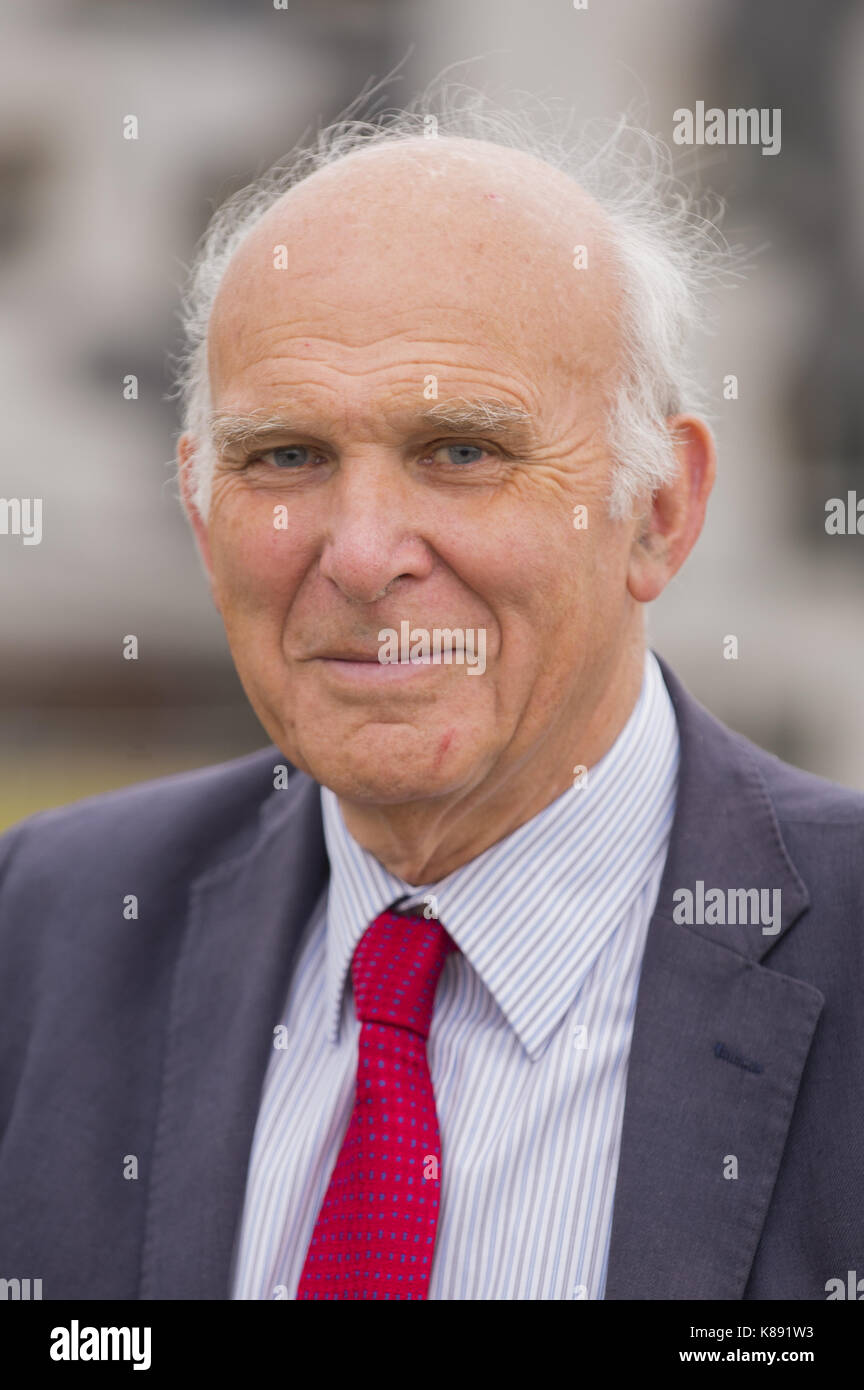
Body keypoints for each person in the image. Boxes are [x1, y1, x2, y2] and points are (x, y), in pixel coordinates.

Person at [1, 96, 861, 1302]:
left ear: (659, 510)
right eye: (286, 456)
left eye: (462, 452)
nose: (359, 553)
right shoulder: (44, 931)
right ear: (202, 512)